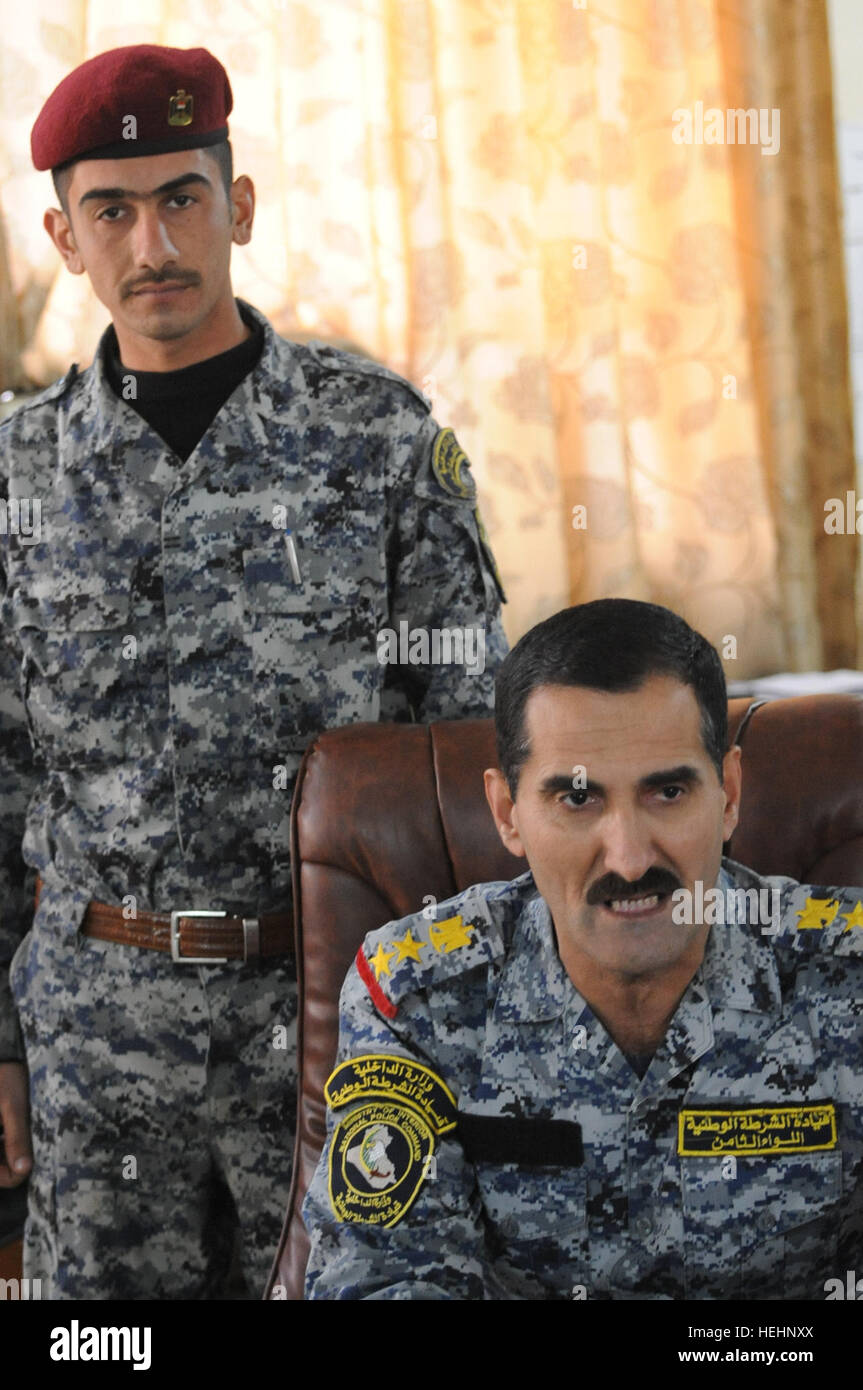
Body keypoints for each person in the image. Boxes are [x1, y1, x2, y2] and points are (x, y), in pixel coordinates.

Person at [0, 43, 507, 1300]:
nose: (152, 242)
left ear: (241, 207)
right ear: (67, 238)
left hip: (334, 999)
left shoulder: (377, 435)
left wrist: (466, 1015)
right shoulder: (14, 476)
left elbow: (464, 753)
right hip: (94, 1030)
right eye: (111, 210)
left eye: (181, 197)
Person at [303, 598, 863, 1300]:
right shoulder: (418, 994)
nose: (628, 859)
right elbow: (378, 1280)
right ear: (507, 813)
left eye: (666, 791)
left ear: (728, 796)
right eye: (577, 800)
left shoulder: (843, 975)